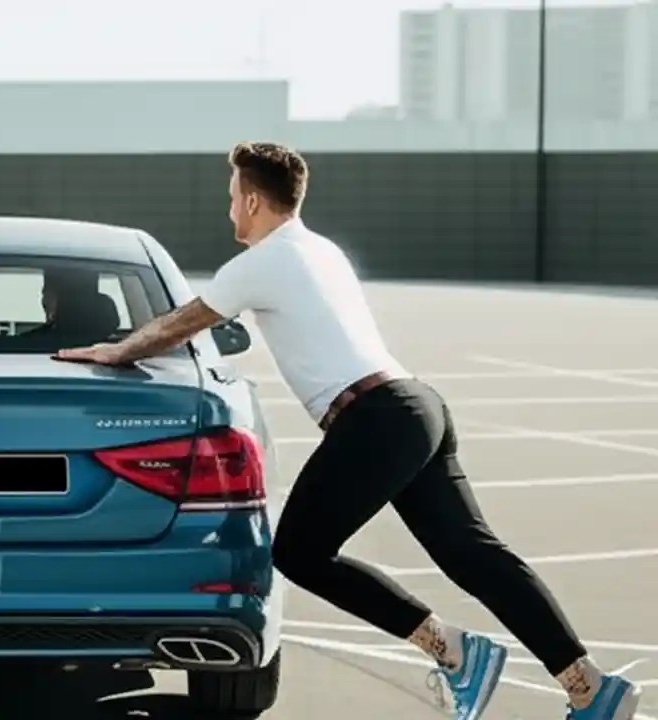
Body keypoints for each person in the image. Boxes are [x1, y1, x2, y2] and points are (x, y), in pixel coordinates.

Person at [55, 142, 640, 720]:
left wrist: (115, 351)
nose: (229, 208)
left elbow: (183, 323)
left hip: (374, 417)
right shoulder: (321, 250)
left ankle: (452, 651)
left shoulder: (261, 262)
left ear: (253, 200)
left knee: (300, 552)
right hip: (416, 405)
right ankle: (589, 687)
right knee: (473, 555)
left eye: (233, 196)